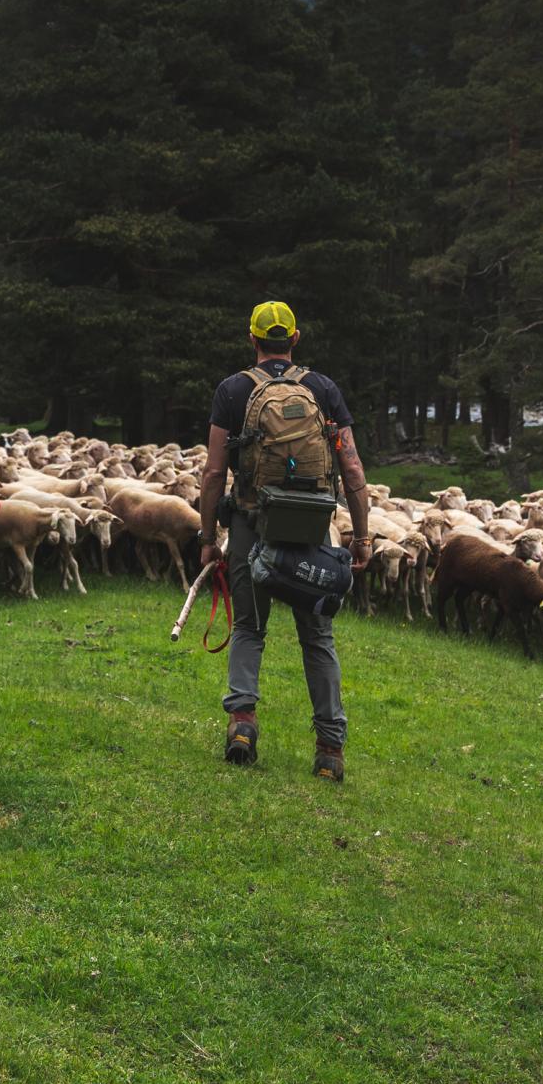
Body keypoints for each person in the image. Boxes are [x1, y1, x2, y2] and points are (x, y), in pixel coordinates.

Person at [197, 301, 370, 781]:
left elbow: (214, 471)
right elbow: (352, 468)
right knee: (317, 637)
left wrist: (208, 536)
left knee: (250, 628)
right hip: (315, 528)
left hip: (253, 523)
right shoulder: (323, 388)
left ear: (251, 340)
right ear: (295, 338)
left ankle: (242, 725)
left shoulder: (232, 391)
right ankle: (329, 750)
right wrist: (361, 535)